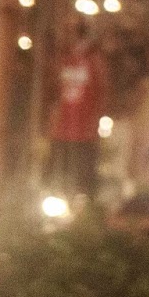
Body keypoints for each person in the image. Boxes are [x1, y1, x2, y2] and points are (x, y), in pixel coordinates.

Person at [47, 27, 109, 201]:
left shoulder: (95, 61)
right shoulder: (63, 60)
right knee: (61, 170)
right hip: (62, 128)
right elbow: (54, 89)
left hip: (85, 130)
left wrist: (96, 121)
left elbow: (102, 92)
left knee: (82, 173)